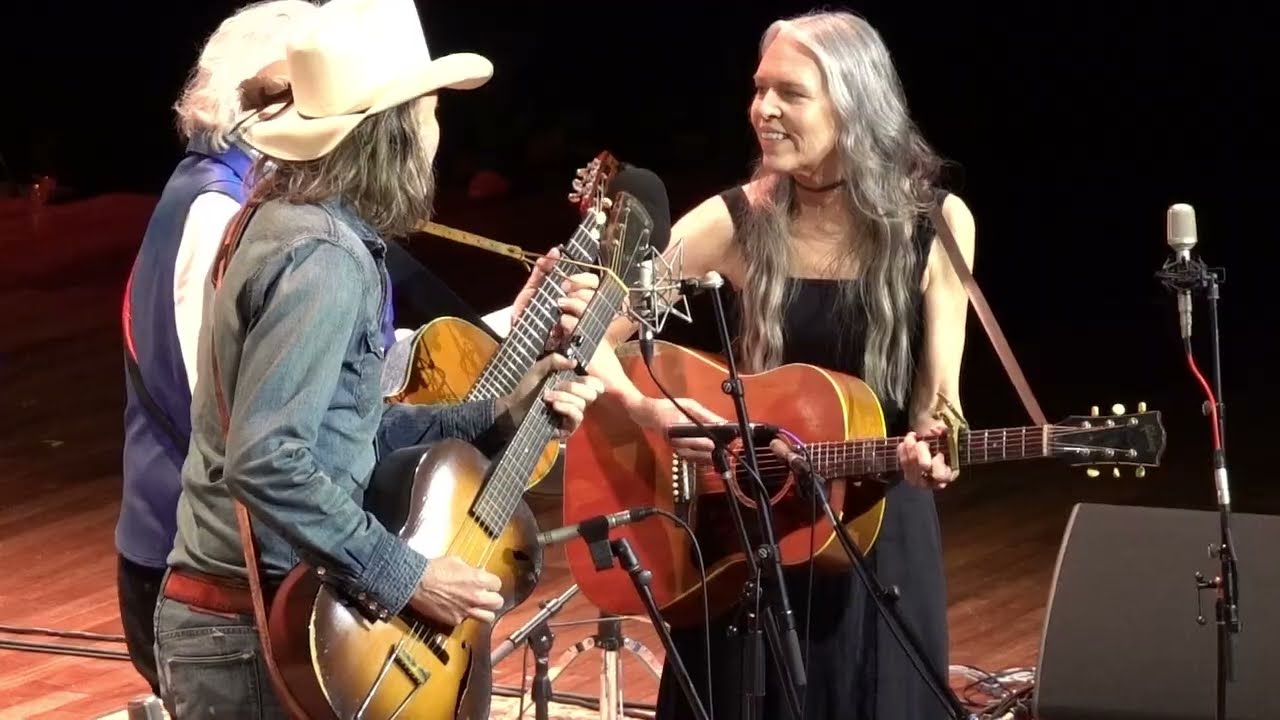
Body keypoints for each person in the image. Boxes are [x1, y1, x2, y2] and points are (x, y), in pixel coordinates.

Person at [152, 0, 605, 715]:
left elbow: (344, 430)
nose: (436, 135)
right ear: (392, 131)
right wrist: (409, 577)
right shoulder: (323, 259)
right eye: (429, 113)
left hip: (264, 621)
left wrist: (494, 414)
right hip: (253, 633)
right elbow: (268, 460)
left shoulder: (299, 227)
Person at [585, 10, 976, 720]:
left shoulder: (937, 224)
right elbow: (593, 335)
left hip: (878, 532)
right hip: (749, 536)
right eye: (759, 89)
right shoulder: (733, 221)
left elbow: (938, 403)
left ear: (853, 103)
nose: (763, 109)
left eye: (789, 94)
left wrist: (938, 444)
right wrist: (649, 412)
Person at [115, 0, 320, 696]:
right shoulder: (221, 211)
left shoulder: (208, 191)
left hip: (184, 560)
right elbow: (233, 401)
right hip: (197, 579)